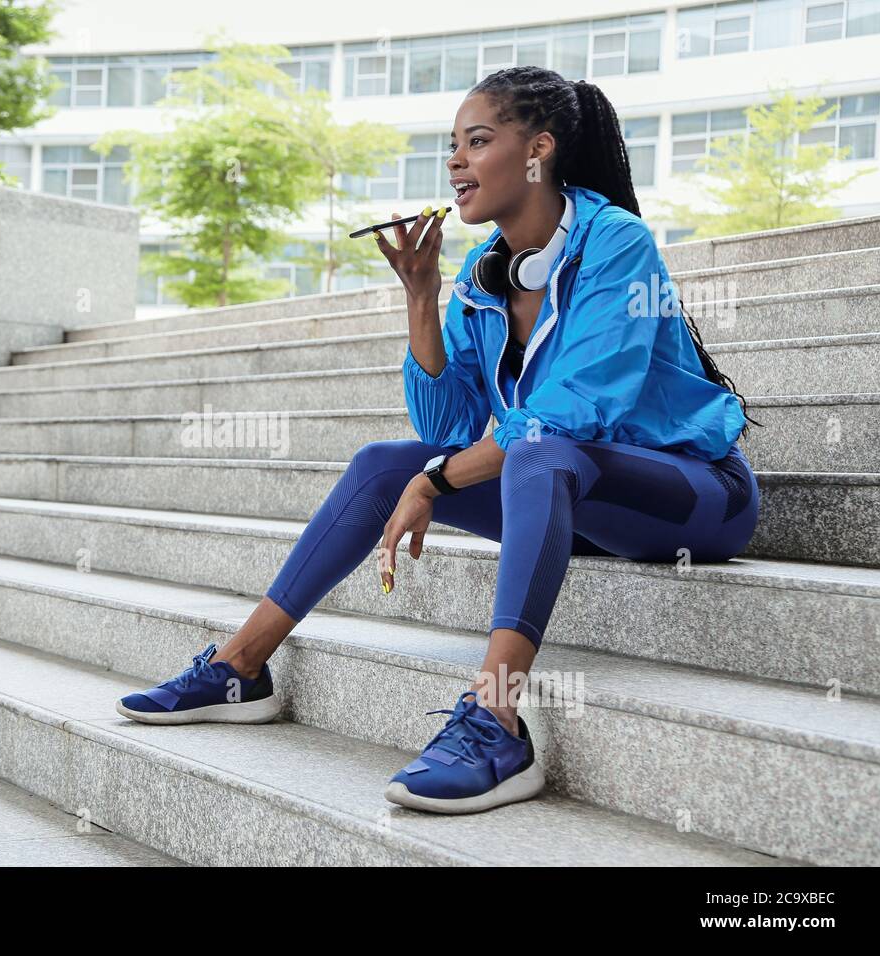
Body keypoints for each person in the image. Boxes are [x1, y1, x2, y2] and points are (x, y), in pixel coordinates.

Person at [114, 66, 763, 815]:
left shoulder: (615, 243)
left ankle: (495, 721)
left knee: (533, 452)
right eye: (451, 145)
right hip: (578, 502)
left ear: (537, 151)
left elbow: (570, 413)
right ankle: (241, 665)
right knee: (384, 464)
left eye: (477, 141)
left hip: (693, 498)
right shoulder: (482, 280)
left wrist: (437, 482)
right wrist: (422, 298)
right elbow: (446, 429)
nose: (455, 161)